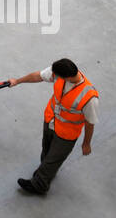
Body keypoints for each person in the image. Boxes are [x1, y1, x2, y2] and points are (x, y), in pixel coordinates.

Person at [11, 59, 98, 196]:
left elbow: (90, 123)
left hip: (67, 134)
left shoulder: (89, 97)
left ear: (67, 77)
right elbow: (38, 76)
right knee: (46, 151)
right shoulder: (60, 73)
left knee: (53, 158)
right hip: (50, 121)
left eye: (56, 75)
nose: (53, 76)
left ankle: (39, 185)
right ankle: (44, 172)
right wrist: (17, 81)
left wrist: (86, 143)